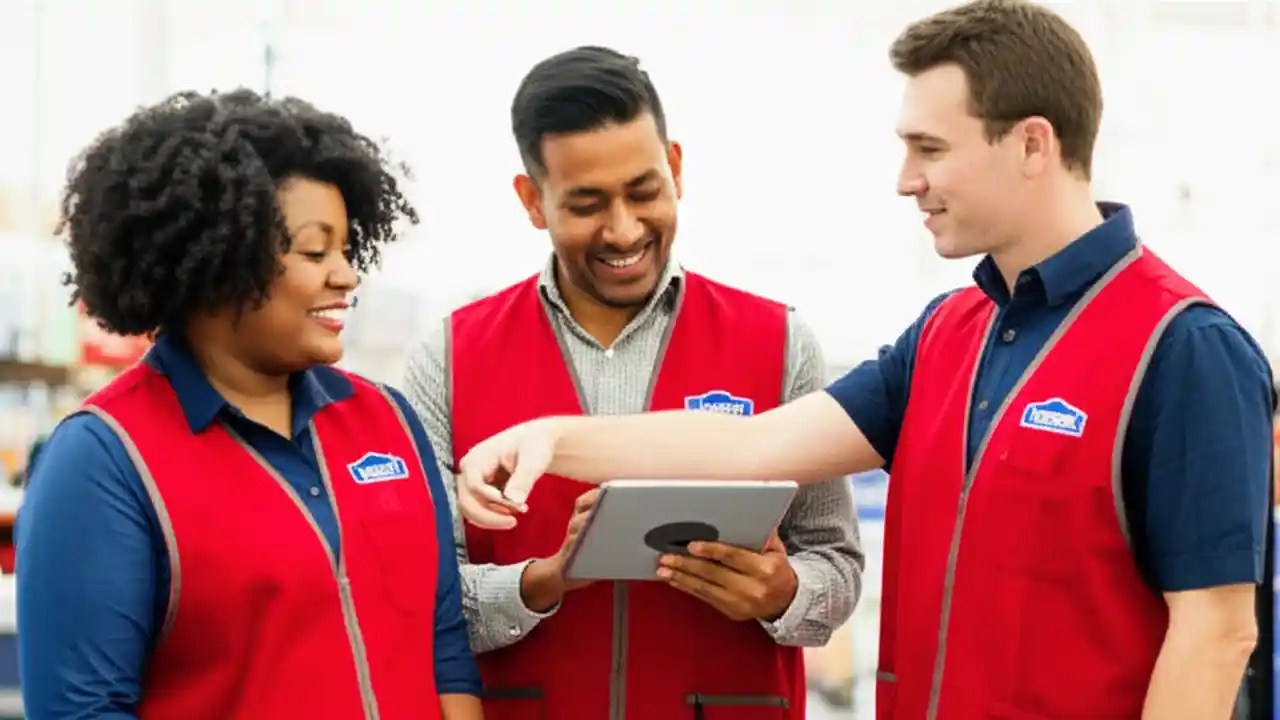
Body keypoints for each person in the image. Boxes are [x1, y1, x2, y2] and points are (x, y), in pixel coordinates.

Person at [452, 3, 1275, 719]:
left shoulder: (1185, 349)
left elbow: (1217, 630)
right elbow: (754, 446)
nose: (905, 180)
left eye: (930, 148)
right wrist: (552, 437)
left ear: (1031, 143)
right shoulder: (951, 331)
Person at [403, 46, 862, 720]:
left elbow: (839, 565)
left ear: (675, 166)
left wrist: (784, 591)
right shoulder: (448, 358)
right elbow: (422, 599)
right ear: (532, 200)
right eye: (587, 204)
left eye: (644, 191)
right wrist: (543, 581)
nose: (624, 228)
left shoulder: (779, 343)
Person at [16, 88, 482, 719]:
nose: (345, 275)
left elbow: (442, 646)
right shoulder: (103, 461)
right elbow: (83, 709)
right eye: (314, 252)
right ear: (216, 262)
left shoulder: (388, 423)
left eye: (347, 249)